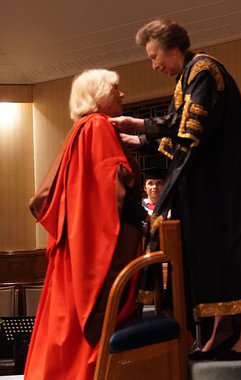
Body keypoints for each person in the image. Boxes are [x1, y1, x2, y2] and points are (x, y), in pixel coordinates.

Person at [110, 19, 241, 360]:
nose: (154, 64)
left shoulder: (203, 69)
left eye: (154, 55)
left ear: (171, 46)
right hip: (213, 184)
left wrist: (140, 126)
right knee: (215, 253)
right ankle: (221, 331)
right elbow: (180, 137)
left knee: (233, 248)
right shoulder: (186, 79)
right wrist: (140, 139)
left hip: (229, 182)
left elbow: (192, 125)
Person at [25, 69, 144, 379]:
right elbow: (111, 189)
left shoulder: (81, 129)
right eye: (115, 88)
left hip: (77, 246)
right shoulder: (98, 126)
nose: (122, 94)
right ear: (96, 95)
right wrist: (145, 219)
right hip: (92, 248)